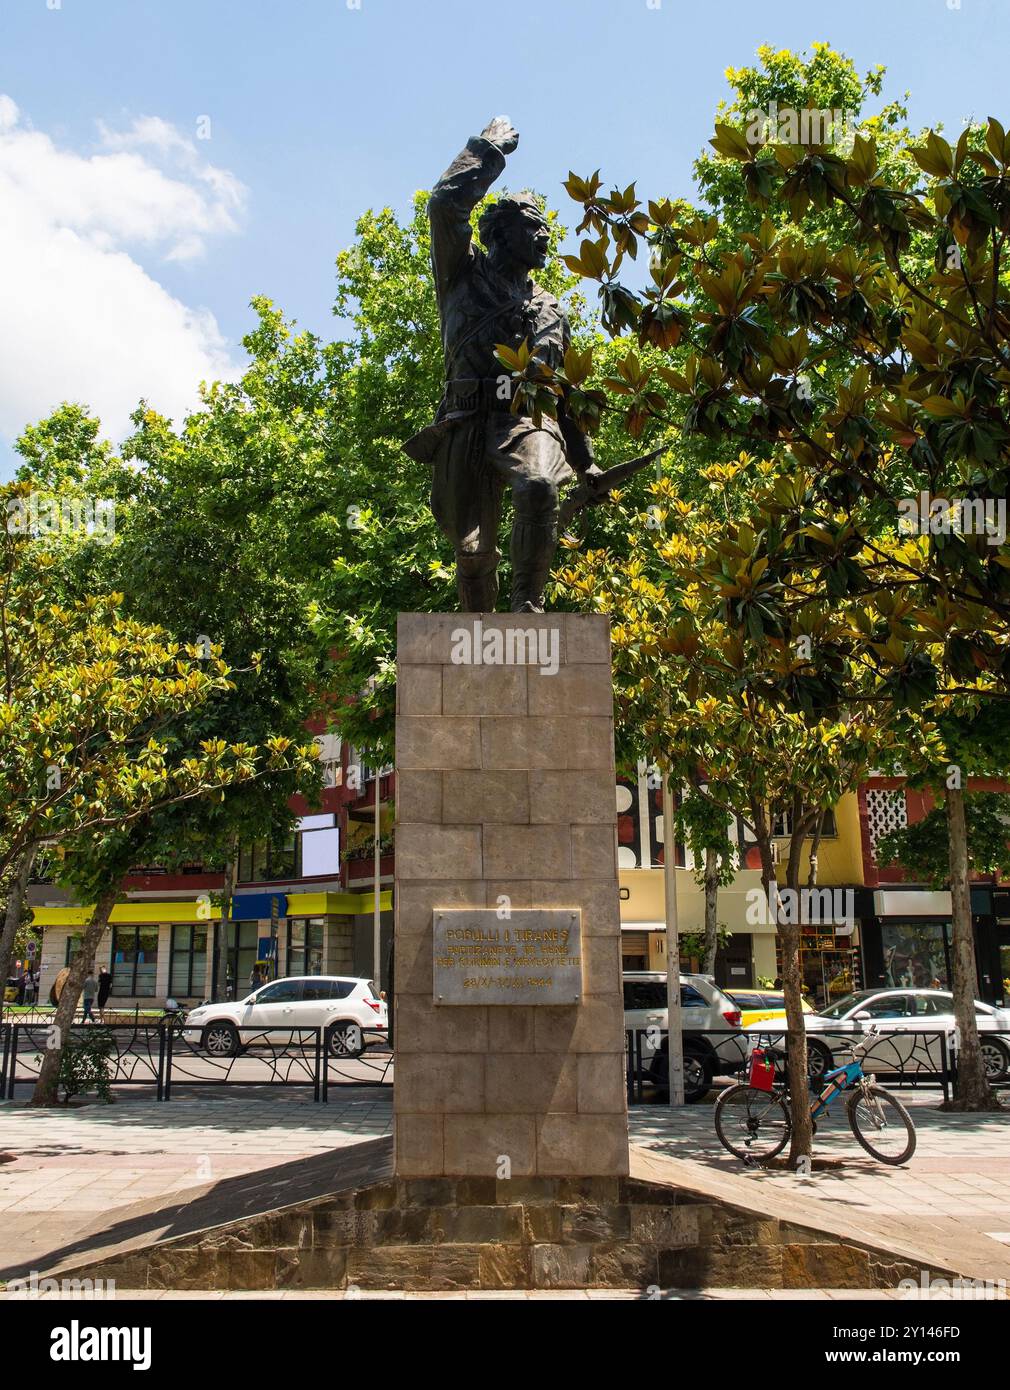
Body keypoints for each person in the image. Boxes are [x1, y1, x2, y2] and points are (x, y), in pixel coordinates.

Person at [404, 117, 602, 613]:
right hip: (465, 421)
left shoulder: (553, 310)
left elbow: (562, 393)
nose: (544, 239)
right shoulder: (461, 276)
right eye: (534, 228)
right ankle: (480, 633)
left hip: (525, 420)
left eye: (547, 231)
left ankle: (527, 604)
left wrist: (584, 460)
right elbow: (444, 204)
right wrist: (487, 150)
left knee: (537, 487)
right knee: (473, 552)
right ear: (501, 231)